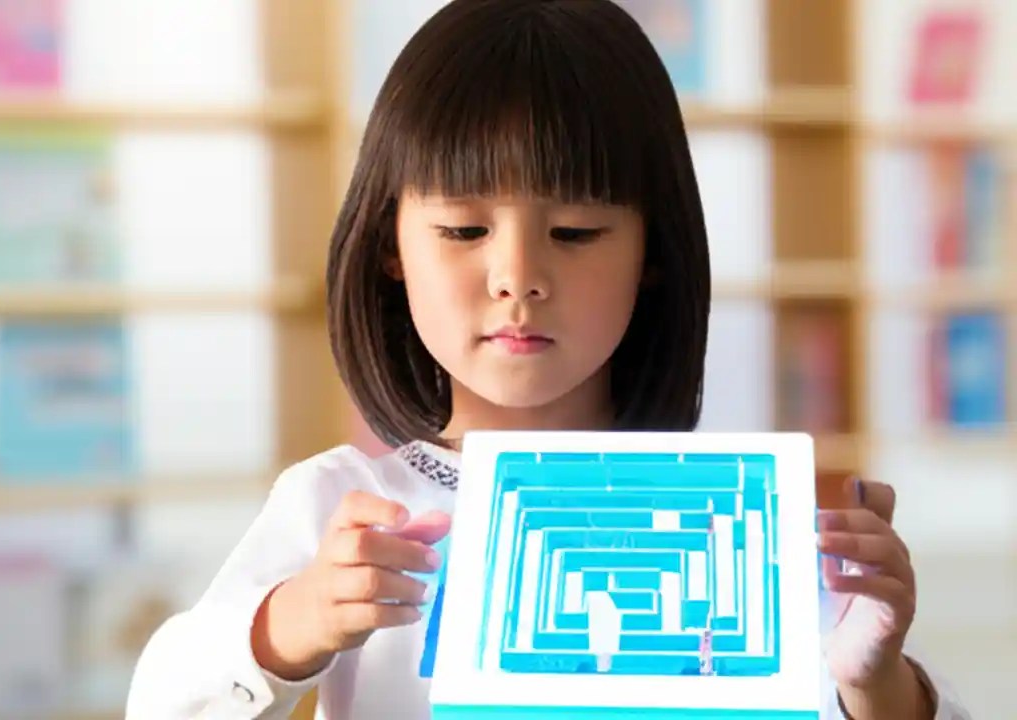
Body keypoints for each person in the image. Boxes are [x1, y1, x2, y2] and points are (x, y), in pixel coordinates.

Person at [126, 1, 970, 717]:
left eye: (576, 233)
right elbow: (163, 700)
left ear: (653, 252)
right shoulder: (345, 507)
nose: (519, 279)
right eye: (462, 230)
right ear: (390, 246)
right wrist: (290, 626)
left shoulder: (739, 523)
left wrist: (878, 685)